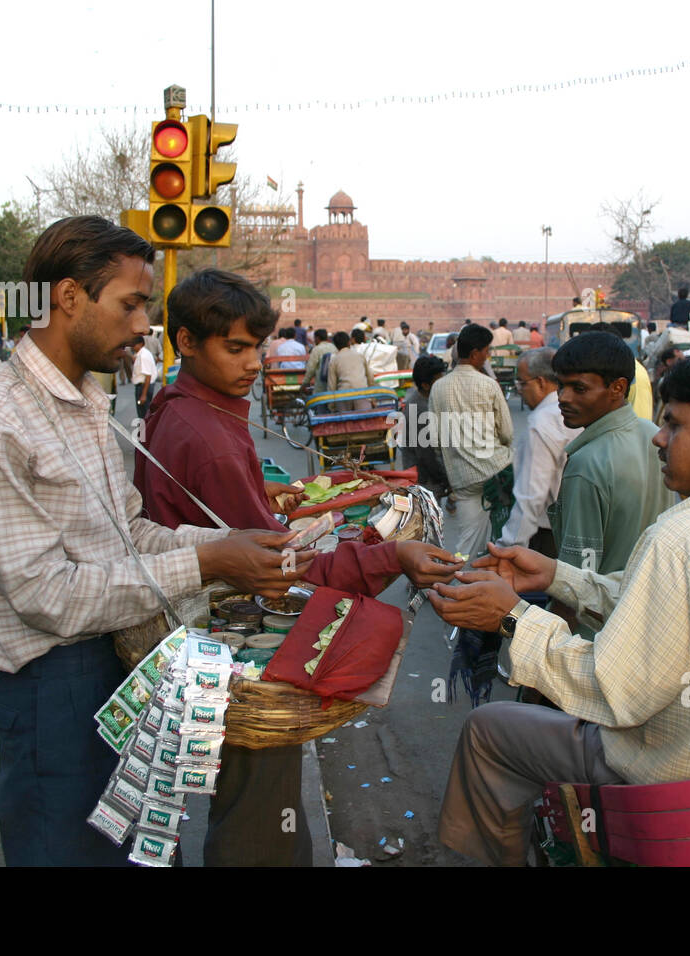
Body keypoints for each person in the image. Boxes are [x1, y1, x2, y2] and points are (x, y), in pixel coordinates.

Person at [0, 215, 316, 867]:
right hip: (53, 685)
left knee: (134, 852)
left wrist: (229, 543)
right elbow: (44, 595)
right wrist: (208, 558)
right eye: (132, 304)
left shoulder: (85, 400)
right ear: (69, 297)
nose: (144, 325)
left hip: (123, 663)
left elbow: (127, 531)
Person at [428, 349, 690, 866]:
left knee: (487, 729)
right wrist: (558, 575)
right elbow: (660, 602)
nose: (659, 438)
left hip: (680, 776)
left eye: (674, 424)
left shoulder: (681, 535)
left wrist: (513, 617)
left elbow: (615, 689)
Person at [135, 269, 462, 866]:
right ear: (185, 342)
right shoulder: (204, 433)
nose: (253, 363)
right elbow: (280, 571)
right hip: (236, 645)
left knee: (243, 803)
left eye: (256, 346)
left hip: (205, 634)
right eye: (235, 348)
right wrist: (393, 554)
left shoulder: (187, 409)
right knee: (259, 811)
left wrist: (268, 496)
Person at [549, 331, 672, 637]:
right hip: (650, 619)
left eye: (579, 388)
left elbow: (575, 580)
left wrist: (548, 653)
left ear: (618, 388)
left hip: (598, 631)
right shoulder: (653, 435)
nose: (564, 398)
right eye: (560, 386)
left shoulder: (587, 464)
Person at [428, 323, 514, 560]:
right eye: (486, 351)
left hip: (462, 477)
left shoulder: (438, 388)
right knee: (504, 534)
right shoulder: (488, 385)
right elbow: (507, 433)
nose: (487, 356)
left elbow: (435, 440)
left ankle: (457, 582)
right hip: (495, 471)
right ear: (475, 353)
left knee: (468, 540)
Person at [497, 348, 580, 554]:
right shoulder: (578, 410)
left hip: (548, 534)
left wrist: (508, 548)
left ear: (541, 382)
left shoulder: (542, 422)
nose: (520, 390)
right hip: (577, 526)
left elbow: (531, 496)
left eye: (522, 383)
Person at [398, 354, 452, 505]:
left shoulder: (427, 400)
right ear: (425, 385)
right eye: (438, 381)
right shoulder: (420, 409)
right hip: (425, 480)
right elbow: (427, 455)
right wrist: (446, 480)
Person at [131, 334, 158, 419]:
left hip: (143, 387)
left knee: (143, 414)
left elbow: (148, 376)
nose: (132, 346)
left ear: (141, 344)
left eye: (134, 344)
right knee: (143, 413)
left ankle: (145, 431)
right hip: (142, 386)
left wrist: (143, 395)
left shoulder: (143, 356)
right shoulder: (140, 354)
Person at [303, 327, 336, 393]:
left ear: (317, 338)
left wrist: (305, 383)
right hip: (334, 383)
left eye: (314, 338)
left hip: (321, 386)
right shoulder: (334, 347)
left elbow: (311, 368)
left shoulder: (316, 349)